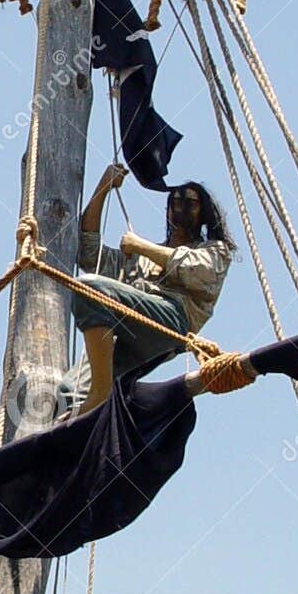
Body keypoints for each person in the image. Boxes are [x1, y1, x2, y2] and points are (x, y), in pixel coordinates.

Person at [59, 163, 236, 416]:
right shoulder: (137, 260)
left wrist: (140, 246)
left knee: (90, 290)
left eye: (190, 202)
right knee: (67, 392)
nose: (181, 207)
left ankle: (100, 395)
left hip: (170, 323)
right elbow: (89, 253)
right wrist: (103, 189)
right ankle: (76, 431)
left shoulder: (214, 250)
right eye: (175, 201)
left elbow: (195, 270)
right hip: (125, 332)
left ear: (204, 212)